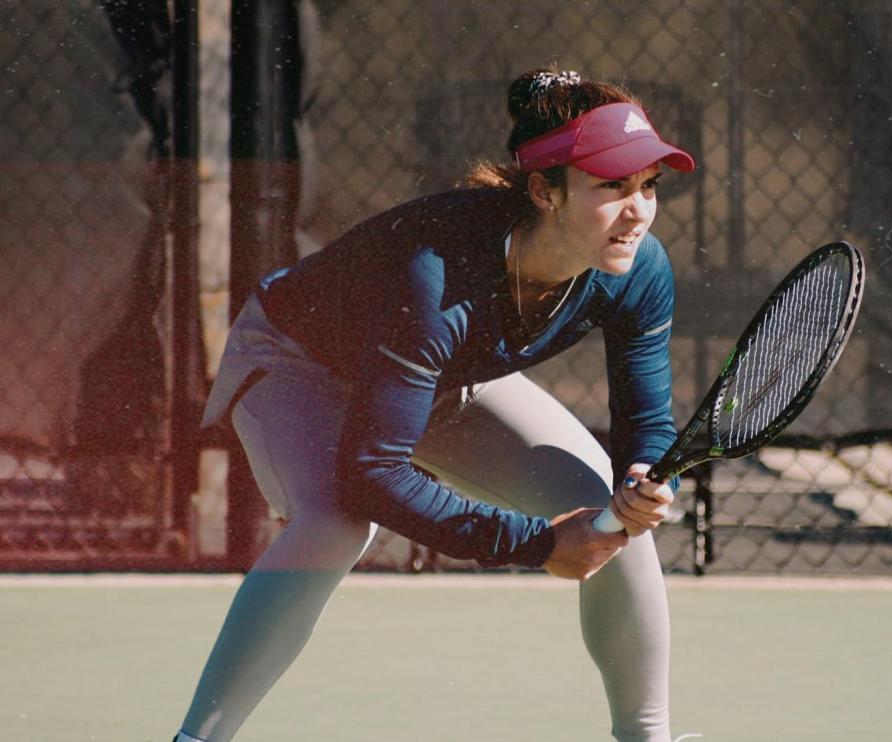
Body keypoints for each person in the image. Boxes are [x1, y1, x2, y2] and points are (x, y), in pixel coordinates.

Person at [174, 67, 695, 742]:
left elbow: (648, 425)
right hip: (294, 364)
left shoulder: (639, 270)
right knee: (335, 521)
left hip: (441, 379)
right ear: (545, 191)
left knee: (607, 508)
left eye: (649, 185)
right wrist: (535, 544)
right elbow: (374, 475)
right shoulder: (436, 275)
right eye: (612, 187)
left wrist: (646, 479)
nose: (639, 209)